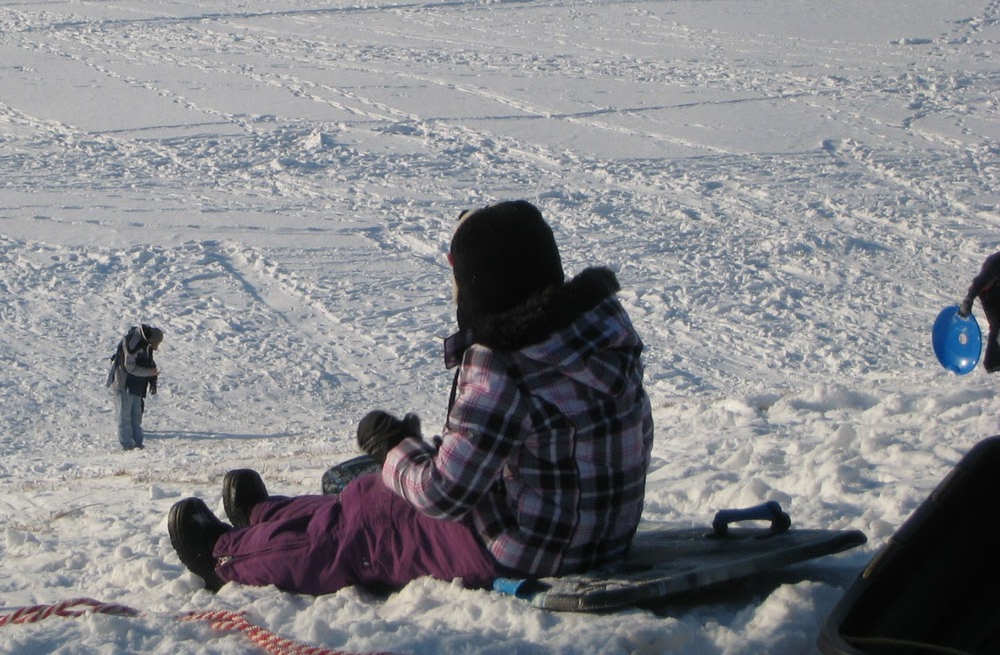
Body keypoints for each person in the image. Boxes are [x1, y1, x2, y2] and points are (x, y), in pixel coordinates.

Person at [167, 201, 653, 595]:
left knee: (370, 525)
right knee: (370, 494)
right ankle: (266, 517)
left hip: (527, 549)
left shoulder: (503, 361)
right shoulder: (600, 333)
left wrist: (392, 445)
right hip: (601, 536)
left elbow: (444, 494)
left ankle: (226, 556)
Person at [960, 237, 1000, 373]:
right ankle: (992, 364)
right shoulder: (996, 263)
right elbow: (978, 283)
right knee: (999, 327)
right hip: (990, 297)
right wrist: (968, 300)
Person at [110, 324, 162, 449]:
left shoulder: (145, 344)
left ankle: (138, 444)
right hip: (124, 384)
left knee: (136, 416)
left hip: (137, 384)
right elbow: (129, 367)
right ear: (150, 339)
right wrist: (149, 373)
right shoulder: (133, 343)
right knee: (125, 417)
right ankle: (127, 446)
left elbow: (147, 362)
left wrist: (152, 379)